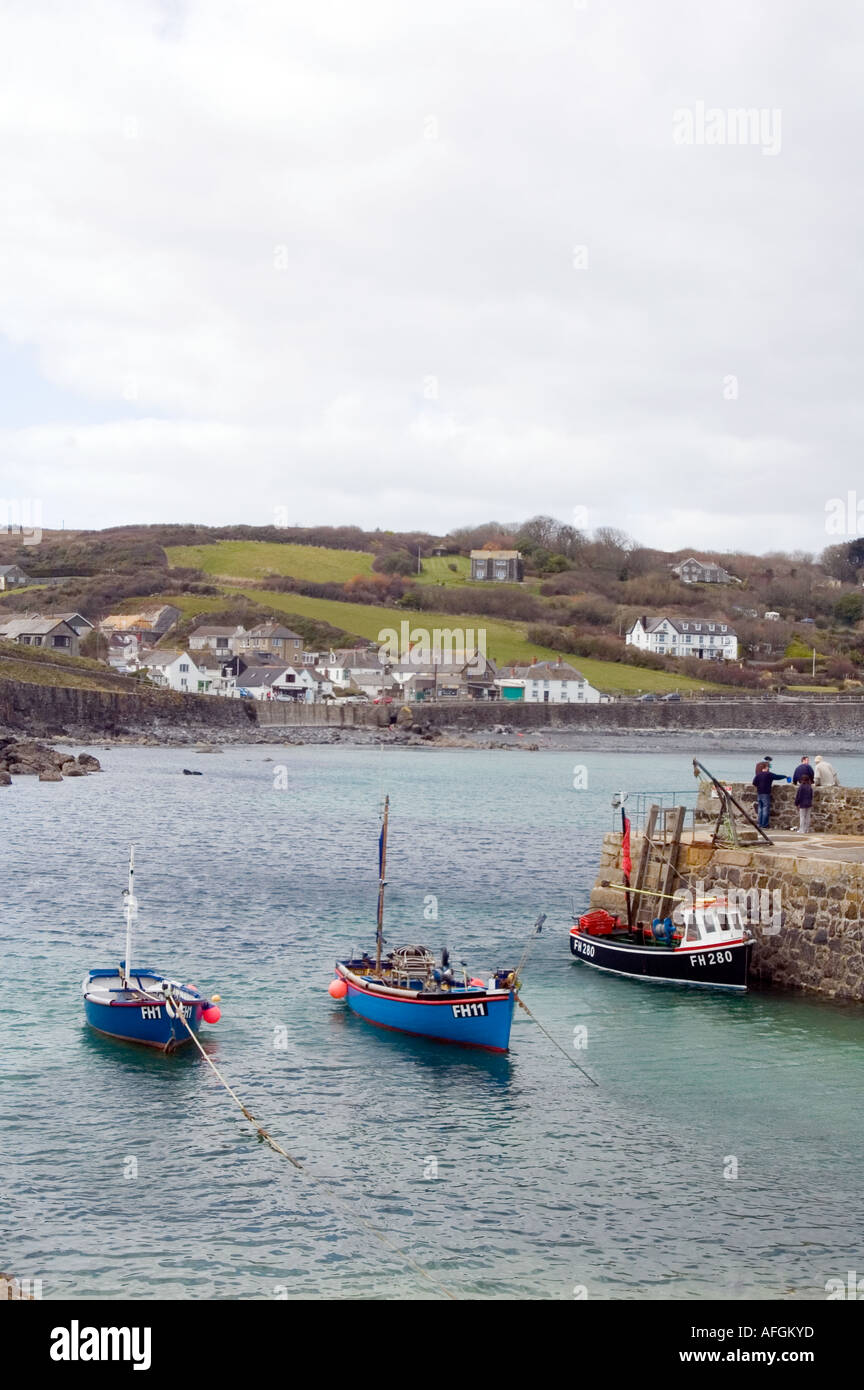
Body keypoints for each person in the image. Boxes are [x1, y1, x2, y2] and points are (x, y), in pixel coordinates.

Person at [752, 760, 789, 829]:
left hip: (759, 793)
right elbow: (777, 777)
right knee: (765, 809)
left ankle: (759, 824)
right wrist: (785, 776)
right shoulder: (769, 774)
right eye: (768, 767)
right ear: (766, 768)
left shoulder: (758, 775)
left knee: (760, 809)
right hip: (766, 793)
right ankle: (764, 825)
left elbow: (754, 783)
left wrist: (759, 785)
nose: (768, 768)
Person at [795, 765, 815, 833]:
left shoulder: (801, 787)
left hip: (802, 804)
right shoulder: (810, 787)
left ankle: (802, 830)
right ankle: (807, 829)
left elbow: (799, 796)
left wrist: (796, 803)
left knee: (802, 817)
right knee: (808, 817)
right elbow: (811, 796)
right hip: (809, 803)